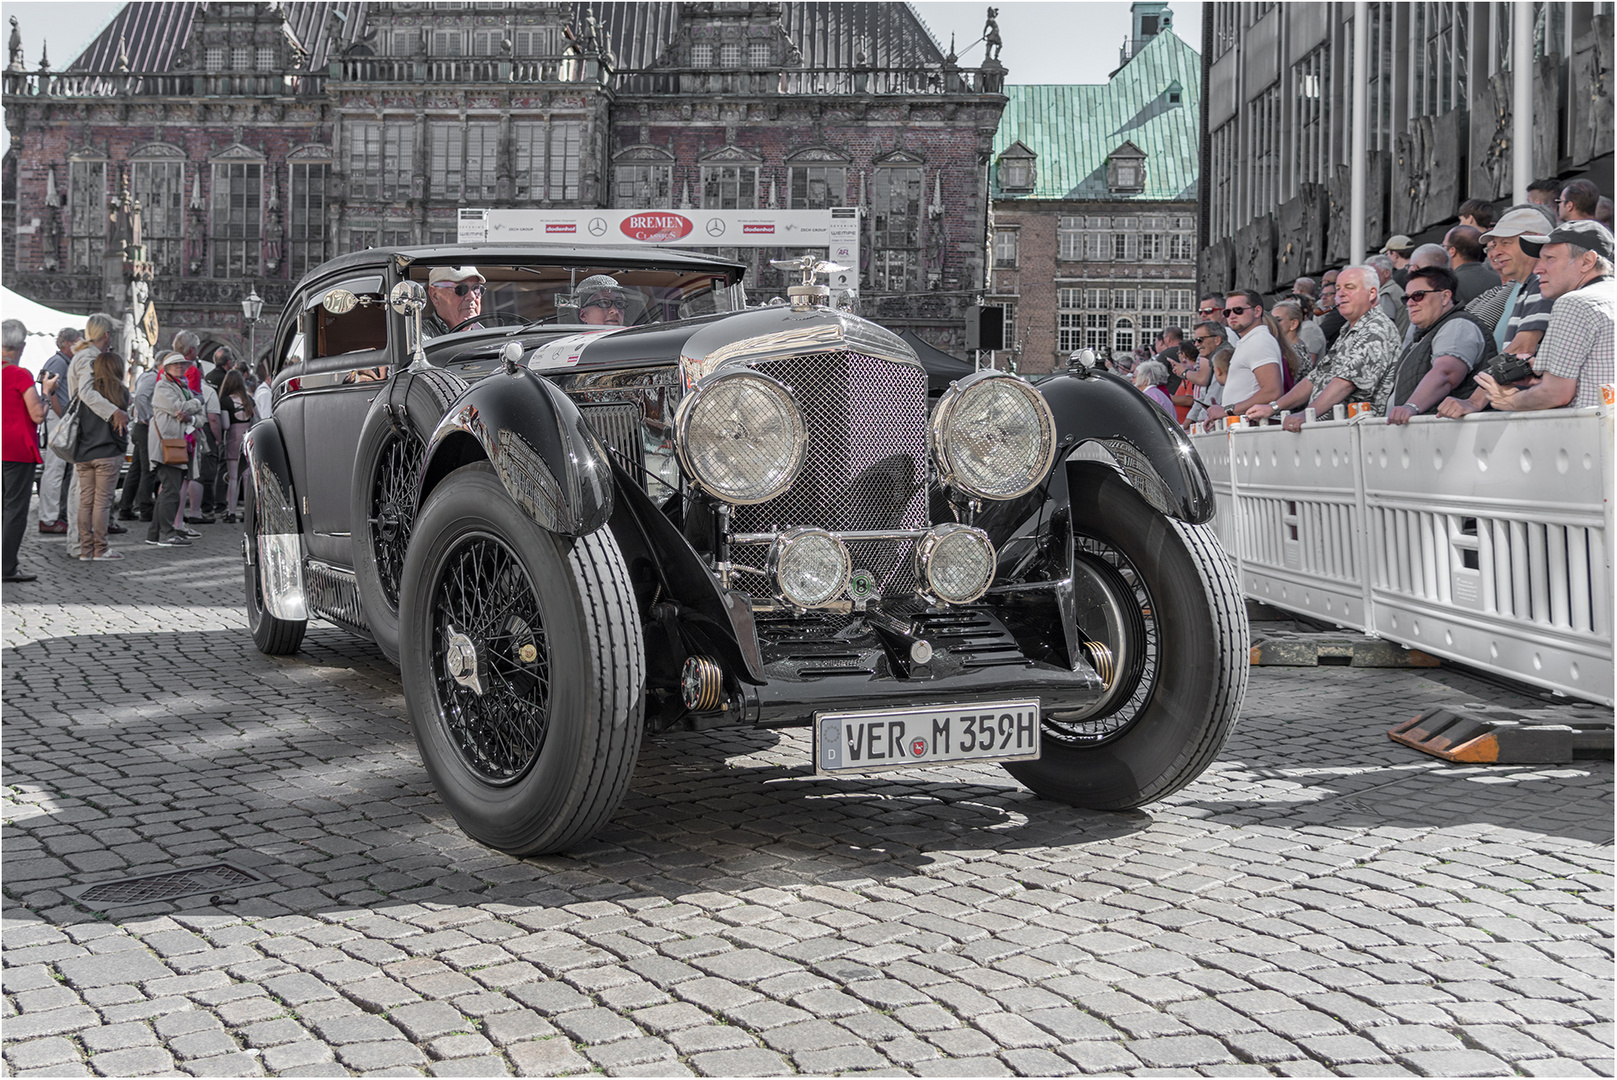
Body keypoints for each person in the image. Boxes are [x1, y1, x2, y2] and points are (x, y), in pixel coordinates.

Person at [1472, 220, 1614, 413]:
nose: (1538, 269)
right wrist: (1541, 380)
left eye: (1550, 258)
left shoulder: (1573, 303)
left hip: (1590, 436)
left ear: (1587, 261)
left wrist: (1510, 400)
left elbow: (1556, 393)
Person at [1245, 266, 1401, 432]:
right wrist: (1274, 407)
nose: (1340, 294)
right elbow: (1315, 378)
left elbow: (1345, 383)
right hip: (1337, 433)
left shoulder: (1375, 329)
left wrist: (1306, 415)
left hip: (1358, 436)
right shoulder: (1349, 329)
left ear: (1372, 293)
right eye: (1338, 289)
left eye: (1350, 288)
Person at [1384, 265, 1496, 424]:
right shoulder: (1426, 335)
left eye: (1418, 295)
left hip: (1448, 437)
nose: (1409, 303)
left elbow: (1446, 373)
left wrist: (1411, 406)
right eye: (1406, 298)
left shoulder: (1458, 326)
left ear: (1445, 297)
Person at [64, 314, 130, 553]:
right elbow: (86, 393)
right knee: (83, 492)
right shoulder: (88, 358)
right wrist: (114, 411)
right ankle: (79, 542)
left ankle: (82, 542)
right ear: (106, 335)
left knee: (84, 492)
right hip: (89, 430)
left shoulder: (86, 355)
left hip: (89, 430)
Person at [2, 319, 52, 582]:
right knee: (14, 510)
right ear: (21, 346)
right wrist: (46, 393)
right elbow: (37, 415)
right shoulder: (20, 375)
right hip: (16, 449)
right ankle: (7, 567)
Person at [147, 351, 204, 548]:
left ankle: (155, 533)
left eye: (182, 364)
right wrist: (197, 403)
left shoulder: (183, 386)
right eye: (175, 364)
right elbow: (178, 408)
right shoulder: (163, 386)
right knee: (171, 490)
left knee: (170, 489)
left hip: (182, 444)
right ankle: (166, 533)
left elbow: (199, 417)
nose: (180, 367)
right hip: (169, 445)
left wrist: (193, 416)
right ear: (167, 367)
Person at [1204, 290, 1284, 421]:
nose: (1232, 316)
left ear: (1257, 311)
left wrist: (1226, 410)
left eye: (1238, 310)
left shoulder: (1259, 340)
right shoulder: (1249, 340)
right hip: (1244, 425)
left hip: (1254, 427)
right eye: (1227, 312)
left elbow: (1272, 391)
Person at [36, 326, 81, 534]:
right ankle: (48, 517)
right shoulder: (58, 362)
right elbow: (48, 388)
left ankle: (53, 515)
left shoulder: (62, 362)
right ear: (67, 344)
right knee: (55, 469)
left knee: (57, 469)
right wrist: (63, 414)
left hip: (58, 416)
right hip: (57, 418)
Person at [117, 360, 159, 522]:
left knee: (136, 469)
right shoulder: (152, 377)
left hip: (141, 427)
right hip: (145, 427)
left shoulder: (149, 376)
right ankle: (145, 507)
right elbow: (141, 397)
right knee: (147, 469)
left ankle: (126, 507)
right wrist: (147, 417)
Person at [218, 368, 255, 523]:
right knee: (247, 477)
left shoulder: (225, 401)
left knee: (233, 478)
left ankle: (231, 512)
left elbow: (226, 425)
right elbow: (256, 419)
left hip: (233, 440)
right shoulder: (249, 400)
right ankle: (248, 512)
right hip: (248, 440)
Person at [1444, 224, 1501, 304]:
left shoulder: (1449, 284)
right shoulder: (1498, 279)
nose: (1443, 249)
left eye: (1444, 246)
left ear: (1452, 251)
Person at [424, 266, 485, 336]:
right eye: (461, 289)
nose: (472, 297)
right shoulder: (417, 339)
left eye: (476, 289)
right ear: (435, 295)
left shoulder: (491, 339)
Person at [1367, 254, 1409, 335]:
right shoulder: (1393, 289)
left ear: (1386, 273)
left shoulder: (1387, 294)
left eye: (1372, 273)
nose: (1368, 278)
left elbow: (1383, 328)